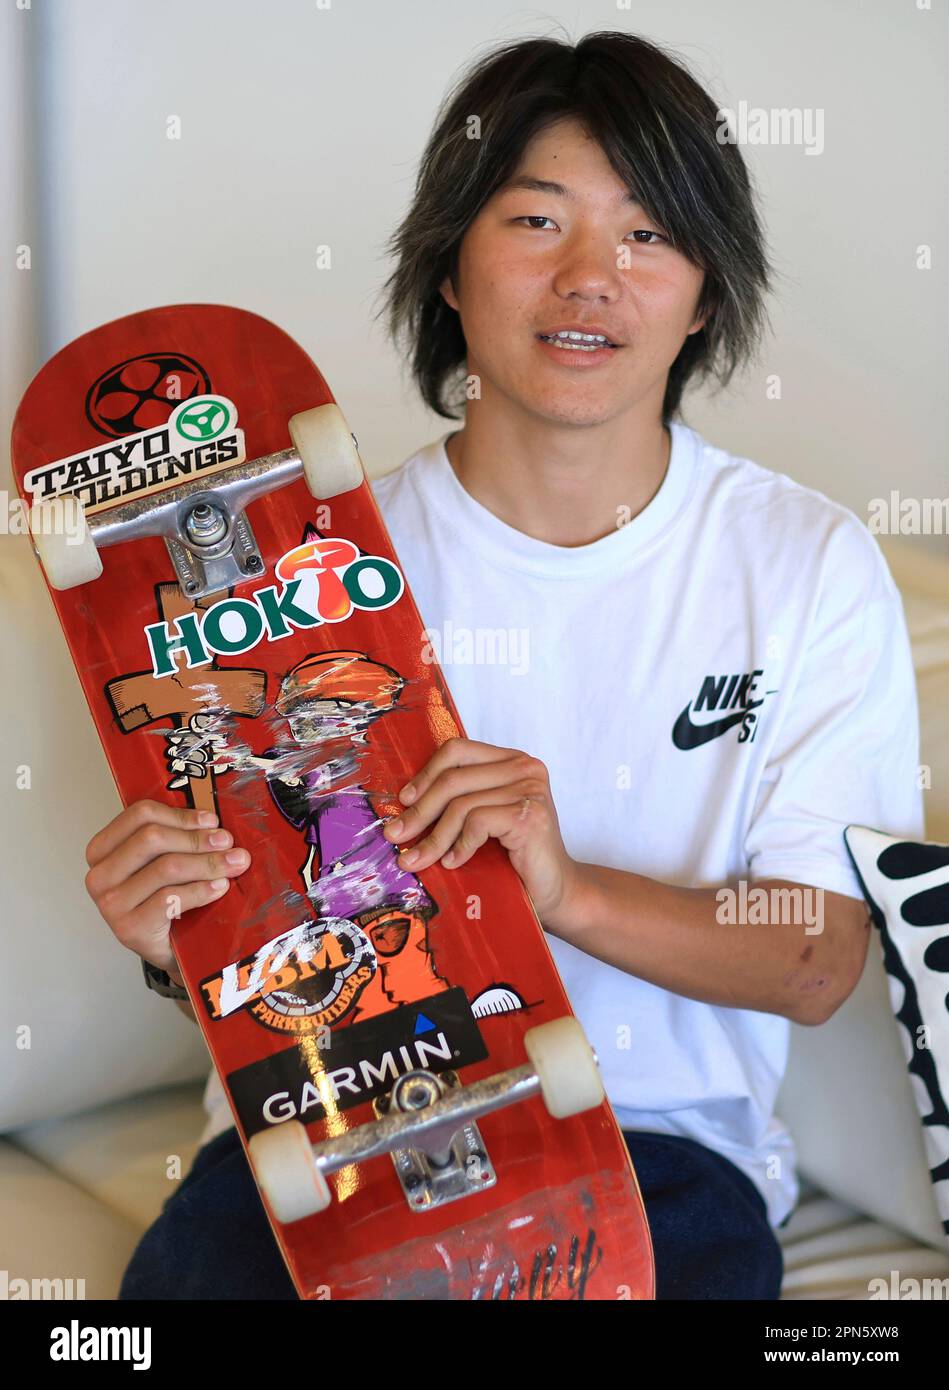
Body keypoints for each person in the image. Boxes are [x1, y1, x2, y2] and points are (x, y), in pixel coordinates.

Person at [85, 30, 922, 1300]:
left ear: (704, 292)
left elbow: (815, 958)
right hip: (324, 1132)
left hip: (657, 1153)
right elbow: (262, 915)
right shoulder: (300, 566)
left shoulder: (804, 564)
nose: (592, 276)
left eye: (647, 235)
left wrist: (562, 885)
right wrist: (168, 935)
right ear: (449, 275)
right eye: (537, 220)